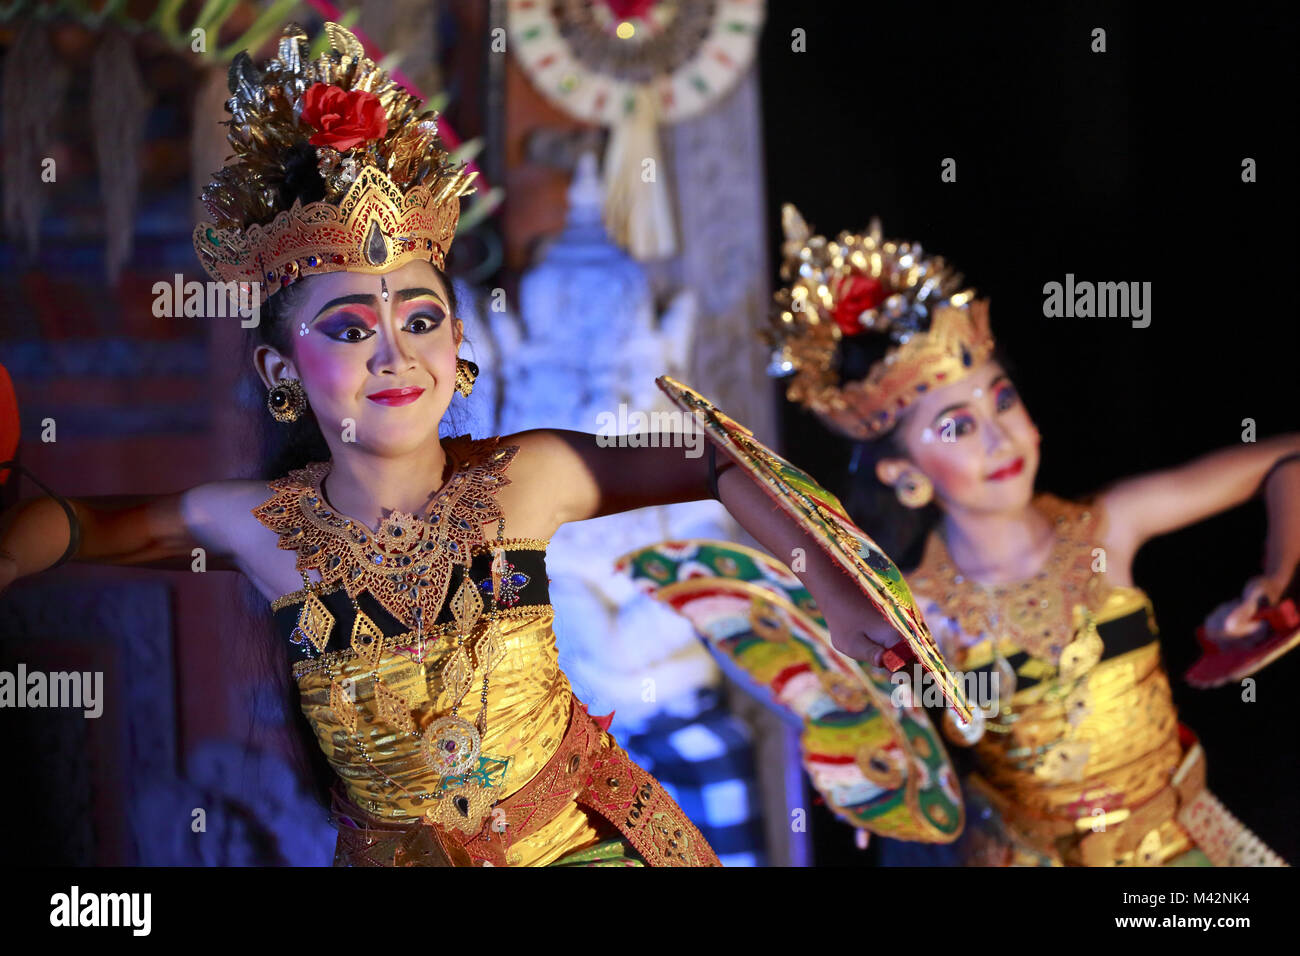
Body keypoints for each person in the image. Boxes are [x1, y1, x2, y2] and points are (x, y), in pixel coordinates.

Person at [0, 24, 905, 868]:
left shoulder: (529, 480)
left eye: (422, 319)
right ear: (281, 364)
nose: (395, 354)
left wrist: (831, 587)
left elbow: (711, 455)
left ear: (459, 344)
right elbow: (75, 526)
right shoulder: (259, 527)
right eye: (352, 329)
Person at [662, 205, 1294, 866]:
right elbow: (874, 743)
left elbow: (1288, 460)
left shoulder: (1112, 526)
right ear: (905, 475)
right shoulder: (910, 610)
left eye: (1002, 401)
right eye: (957, 428)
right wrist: (873, 781)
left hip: (1182, 851)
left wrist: (1271, 581)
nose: (998, 437)